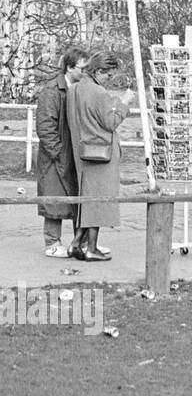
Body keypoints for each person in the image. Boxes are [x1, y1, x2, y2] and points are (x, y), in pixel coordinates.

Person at [65, 53, 133, 262]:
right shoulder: (99, 93)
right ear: (99, 71)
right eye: (109, 75)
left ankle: (76, 243)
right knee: (99, 202)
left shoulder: (76, 89)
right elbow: (110, 122)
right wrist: (124, 103)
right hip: (101, 154)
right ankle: (91, 248)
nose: (110, 80)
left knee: (87, 200)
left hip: (81, 151)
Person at [36, 47, 90, 259]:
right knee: (54, 198)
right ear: (69, 67)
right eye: (82, 68)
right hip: (56, 155)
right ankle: (52, 242)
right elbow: (45, 127)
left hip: (74, 152)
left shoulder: (78, 89)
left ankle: (80, 242)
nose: (85, 73)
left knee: (77, 198)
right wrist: (58, 152)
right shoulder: (52, 91)